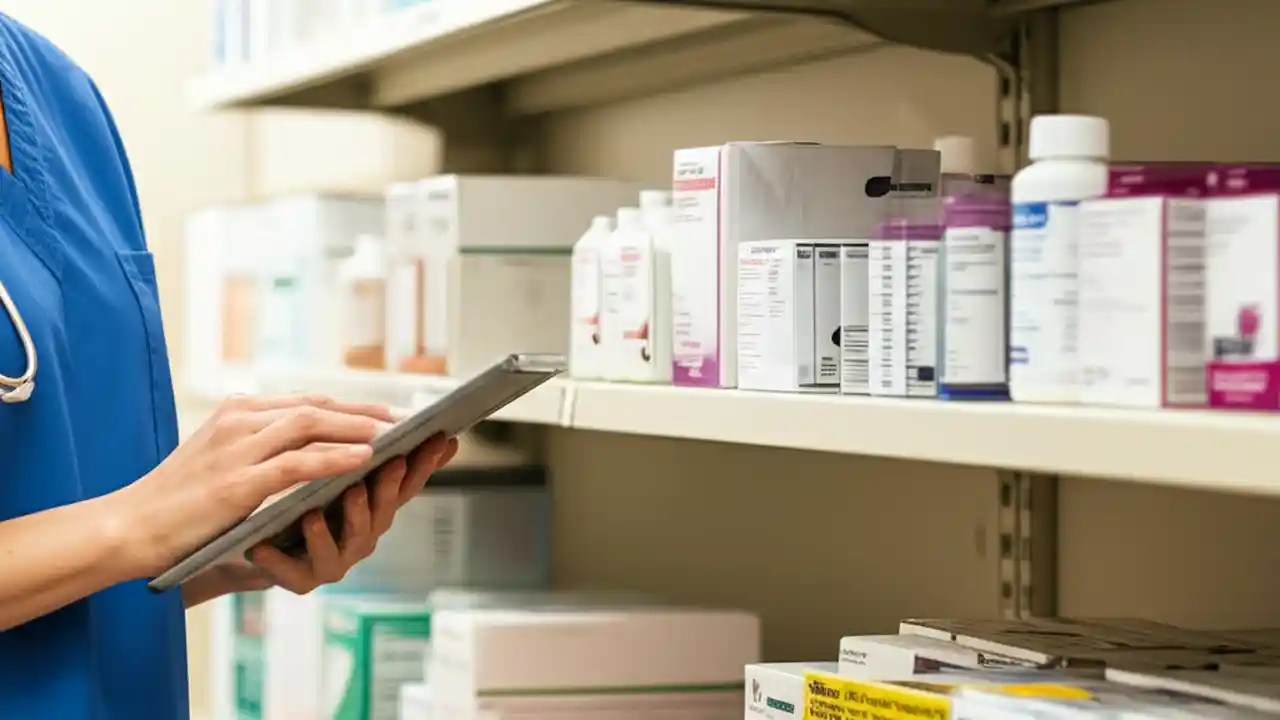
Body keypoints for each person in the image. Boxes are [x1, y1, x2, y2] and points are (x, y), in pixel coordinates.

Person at [0, 14, 457, 718]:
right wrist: (138, 526)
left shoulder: (63, 100)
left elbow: (76, 513)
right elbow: (119, 524)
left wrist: (217, 548)